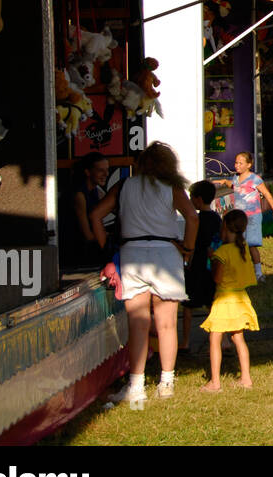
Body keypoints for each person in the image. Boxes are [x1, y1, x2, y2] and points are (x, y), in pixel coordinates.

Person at [90, 142, 198, 404]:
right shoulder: (171, 188)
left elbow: (96, 215)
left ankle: (136, 385)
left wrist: (106, 246)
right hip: (166, 253)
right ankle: (166, 382)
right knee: (167, 322)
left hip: (133, 253)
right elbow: (192, 218)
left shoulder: (124, 185)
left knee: (138, 324)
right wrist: (188, 249)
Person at [201, 209, 258, 391]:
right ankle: (246, 378)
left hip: (224, 299)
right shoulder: (243, 249)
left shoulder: (222, 252)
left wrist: (213, 259)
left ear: (224, 227)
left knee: (215, 339)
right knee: (239, 338)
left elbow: (217, 279)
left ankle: (215, 382)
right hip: (240, 298)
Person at [214, 152, 273, 283]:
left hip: (252, 217)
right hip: (238, 218)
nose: (237, 165)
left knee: (251, 245)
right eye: (236, 163)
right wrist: (222, 181)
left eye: (240, 163)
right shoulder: (235, 178)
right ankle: (240, 270)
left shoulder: (255, 179)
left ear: (249, 165)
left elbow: (267, 194)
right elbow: (232, 185)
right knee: (237, 244)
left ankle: (258, 273)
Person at [181, 180, 222, 351]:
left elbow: (191, 242)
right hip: (210, 265)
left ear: (197, 199)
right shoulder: (216, 218)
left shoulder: (195, 219)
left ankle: (185, 341)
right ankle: (223, 340)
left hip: (196, 263)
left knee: (188, 306)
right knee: (212, 304)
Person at [67, 153, 111, 269]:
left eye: (107, 170)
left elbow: (114, 207)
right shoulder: (79, 195)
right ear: (87, 172)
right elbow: (88, 236)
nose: (106, 174)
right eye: (101, 171)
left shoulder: (97, 190)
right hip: (75, 254)